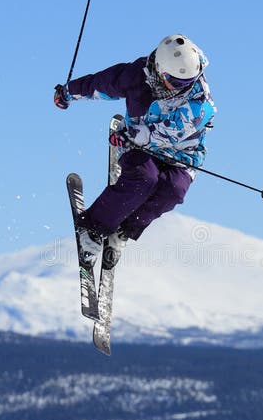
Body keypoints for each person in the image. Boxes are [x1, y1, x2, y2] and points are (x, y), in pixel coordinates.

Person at [54, 33, 216, 266]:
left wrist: (136, 136)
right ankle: (93, 228)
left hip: (182, 154)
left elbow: (178, 129)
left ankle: (124, 230)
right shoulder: (136, 76)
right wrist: (68, 92)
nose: (185, 87)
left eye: (189, 81)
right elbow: (102, 84)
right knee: (144, 180)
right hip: (139, 145)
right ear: (161, 71)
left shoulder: (200, 98)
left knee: (173, 191)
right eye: (178, 82)